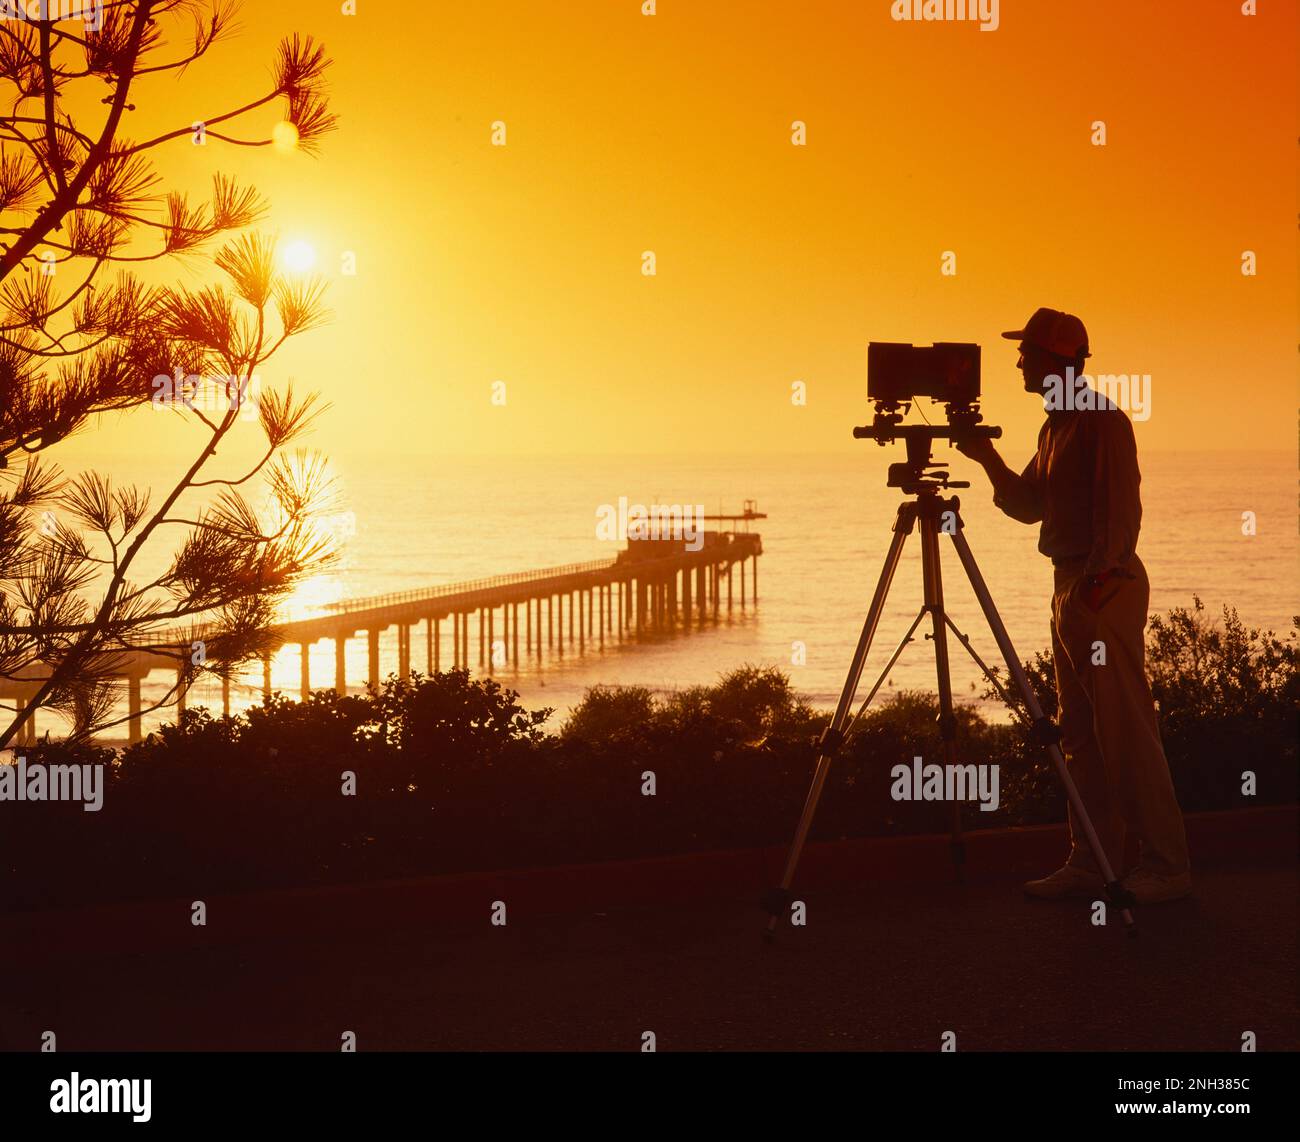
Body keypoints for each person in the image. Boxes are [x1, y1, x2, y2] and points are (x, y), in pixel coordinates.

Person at [956, 307, 1191, 904]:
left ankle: (1167, 867)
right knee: (1082, 735)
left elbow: (1122, 508)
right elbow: (1030, 504)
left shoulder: (1101, 421)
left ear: (1058, 360)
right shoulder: (1056, 428)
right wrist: (985, 458)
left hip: (1098, 585)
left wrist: (1096, 582)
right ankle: (1093, 858)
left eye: (1027, 353)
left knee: (1126, 729)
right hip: (1072, 583)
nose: (1018, 362)